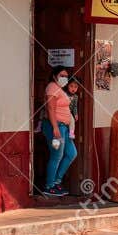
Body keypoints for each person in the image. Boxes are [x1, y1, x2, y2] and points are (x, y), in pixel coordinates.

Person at [40, 67, 77, 197]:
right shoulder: (52, 87)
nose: (64, 78)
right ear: (55, 76)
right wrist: (55, 128)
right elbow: (51, 108)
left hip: (64, 128)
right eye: (61, 75)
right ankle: (49, 186)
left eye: (66, 76)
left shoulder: (59, 88)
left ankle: (57, 181)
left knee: (71, 153)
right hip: (55, 127)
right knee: (56, 155)